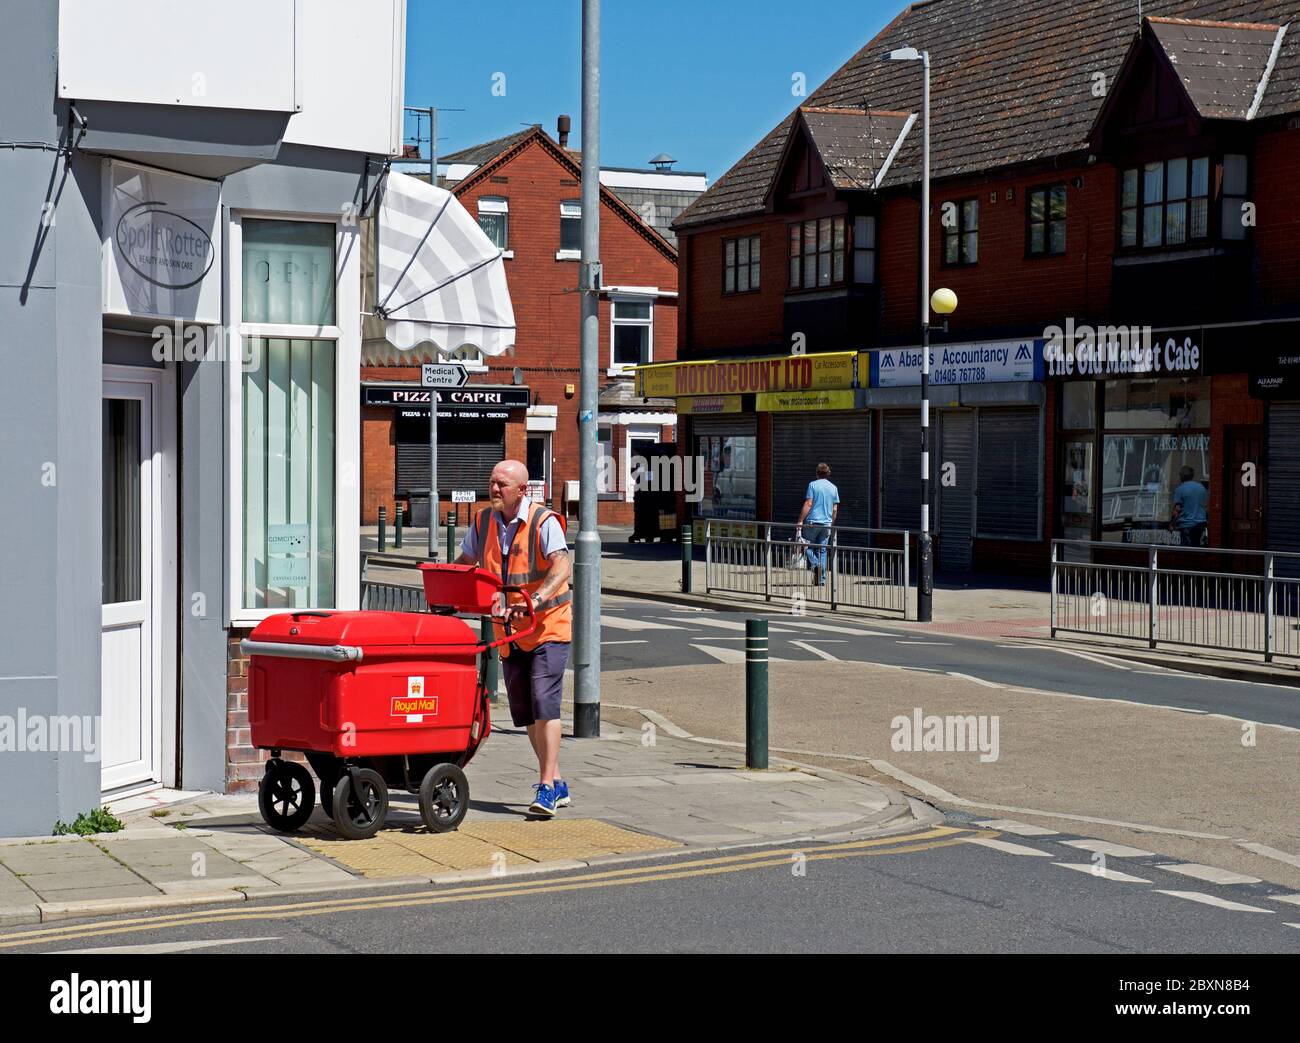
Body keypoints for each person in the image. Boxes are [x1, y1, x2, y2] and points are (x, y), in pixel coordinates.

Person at [456, 460, 572, 817]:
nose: (494, 489)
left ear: (522, 490)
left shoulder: (543, 521)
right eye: (491, 482)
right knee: (525, 715)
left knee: (544, 703)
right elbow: (465, 561)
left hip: (548, 625)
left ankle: (547, 788)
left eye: (501, 484)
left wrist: (534, 600)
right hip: (509, 632)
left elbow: (562, 565)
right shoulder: (483, 521)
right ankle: (557, 779)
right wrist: (444, 581)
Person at [795, 463, 839, 586]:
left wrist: (800, 520)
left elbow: (809, 503)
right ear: (828, 473)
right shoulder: (833, 488)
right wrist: (832, 522)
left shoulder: (813, 485)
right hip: (827, 524)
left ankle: (815, 565)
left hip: (812, 522)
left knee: (806, 546)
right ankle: (821, 580)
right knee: (823, 550)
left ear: (817, 473)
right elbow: (835, 509)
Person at [1170, 465, 1208, 547]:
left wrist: (1171, 524)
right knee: (1196, 547)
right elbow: (1205, 505)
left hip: (1187, 525)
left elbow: (1177, 510)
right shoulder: (1201, 488)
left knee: (1186, 550)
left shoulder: (1180, 489)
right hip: (1200, 525)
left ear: (1182, 476)